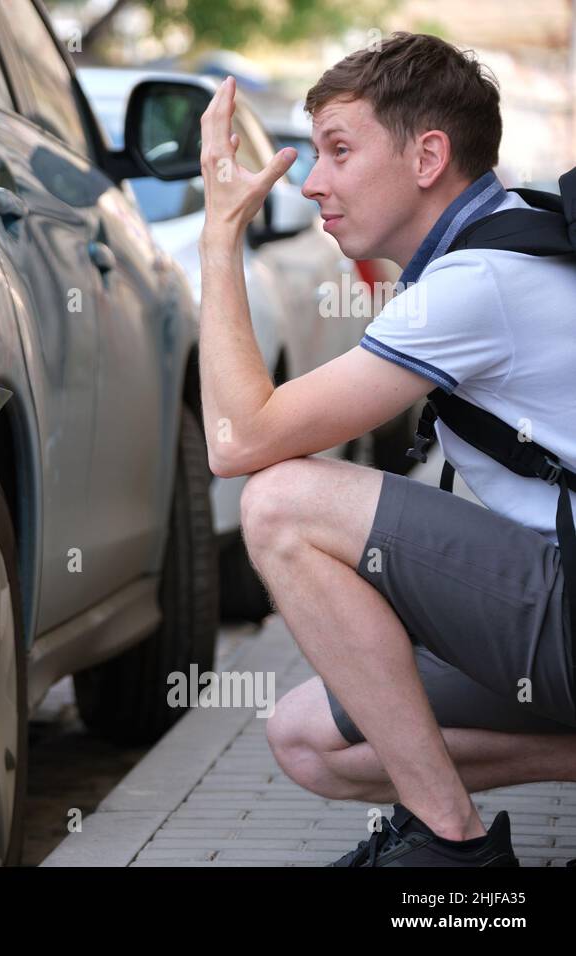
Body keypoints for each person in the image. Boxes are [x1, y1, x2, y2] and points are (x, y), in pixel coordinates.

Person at [196, 31, 576, 866]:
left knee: (281, 505)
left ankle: (454, 851)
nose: (311, 182)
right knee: (307, 737)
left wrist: (220, 238)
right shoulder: (512, 238)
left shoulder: (477, 285)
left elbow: (239, 442)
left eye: (338, 150)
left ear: (428, 156)